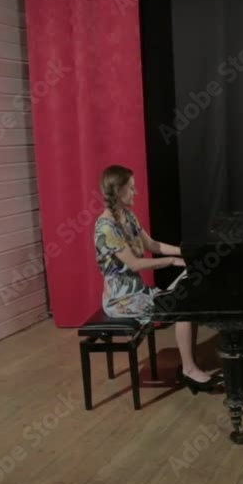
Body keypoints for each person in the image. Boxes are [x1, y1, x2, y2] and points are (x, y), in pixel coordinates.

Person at [94, 164, 219, 393]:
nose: (136, 192)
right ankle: (189, 369)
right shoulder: (106, 227)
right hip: (122, 301)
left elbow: (152, 245)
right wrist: (171, 262)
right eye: (131, 188)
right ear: (119, 191)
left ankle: (188, 364)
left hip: (137, 292)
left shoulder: (127, 216)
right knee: (183, 305)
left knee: (187, 293)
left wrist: (187, 252)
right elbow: (134, 264)